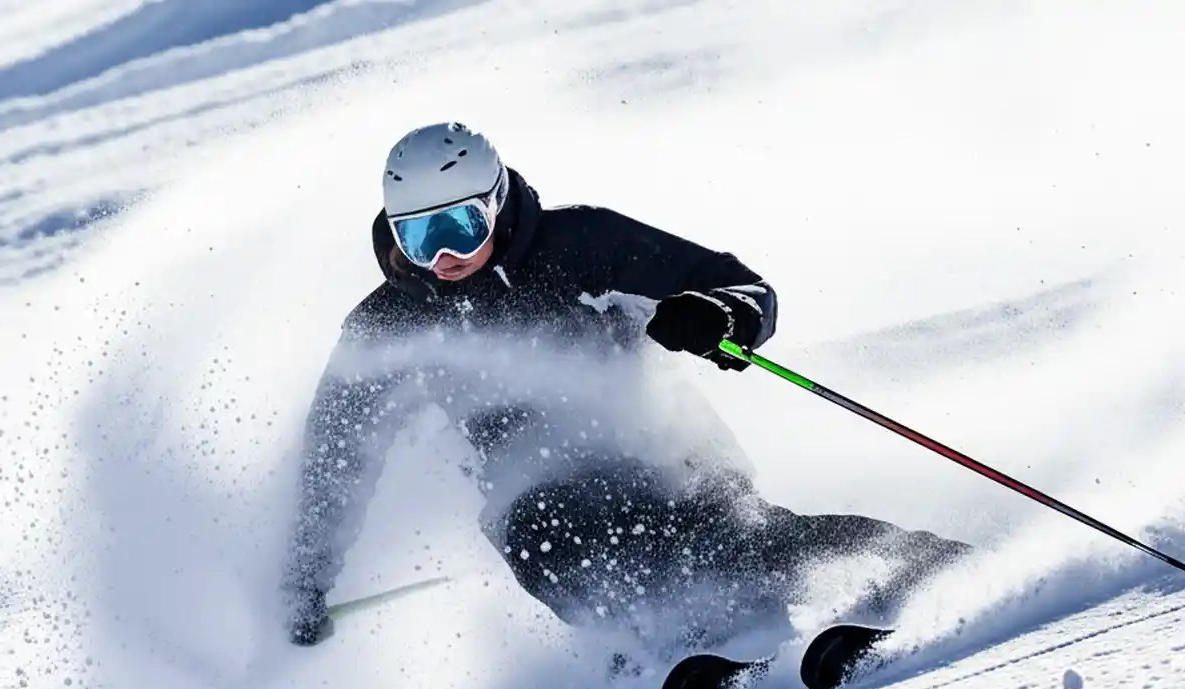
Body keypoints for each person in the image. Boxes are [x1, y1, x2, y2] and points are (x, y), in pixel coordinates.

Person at [281, 122, 968, 651]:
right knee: (543, 541)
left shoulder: (580, 246)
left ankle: (921, 568)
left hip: (663, 450)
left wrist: (718, 316)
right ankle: (671, 654)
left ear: (494, 202)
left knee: (737, 545)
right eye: (418, 236)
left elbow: (743, 286)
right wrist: (306, 576)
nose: (443, 257)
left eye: (458, 227)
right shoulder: (390, 325)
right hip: (540, 496)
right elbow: (337, 454)